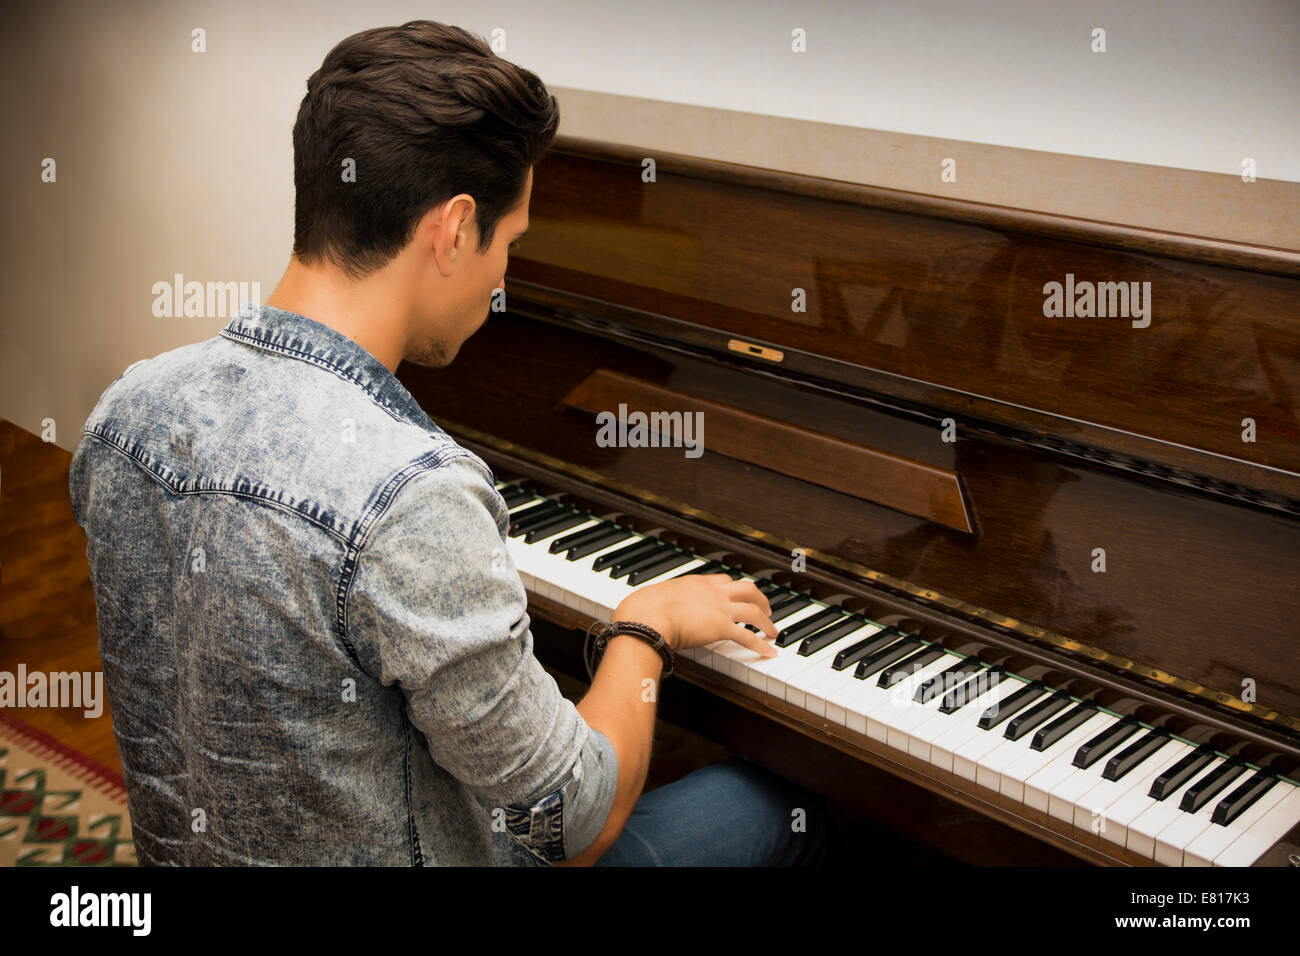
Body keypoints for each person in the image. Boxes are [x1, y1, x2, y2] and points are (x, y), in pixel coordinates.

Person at [69, 19, 826, 866]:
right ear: (455, 229)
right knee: (781, 802)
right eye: (511, 244)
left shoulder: (122, 417)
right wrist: (641, 629)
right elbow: (576, 820)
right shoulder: (409, 494)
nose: (506, 278)